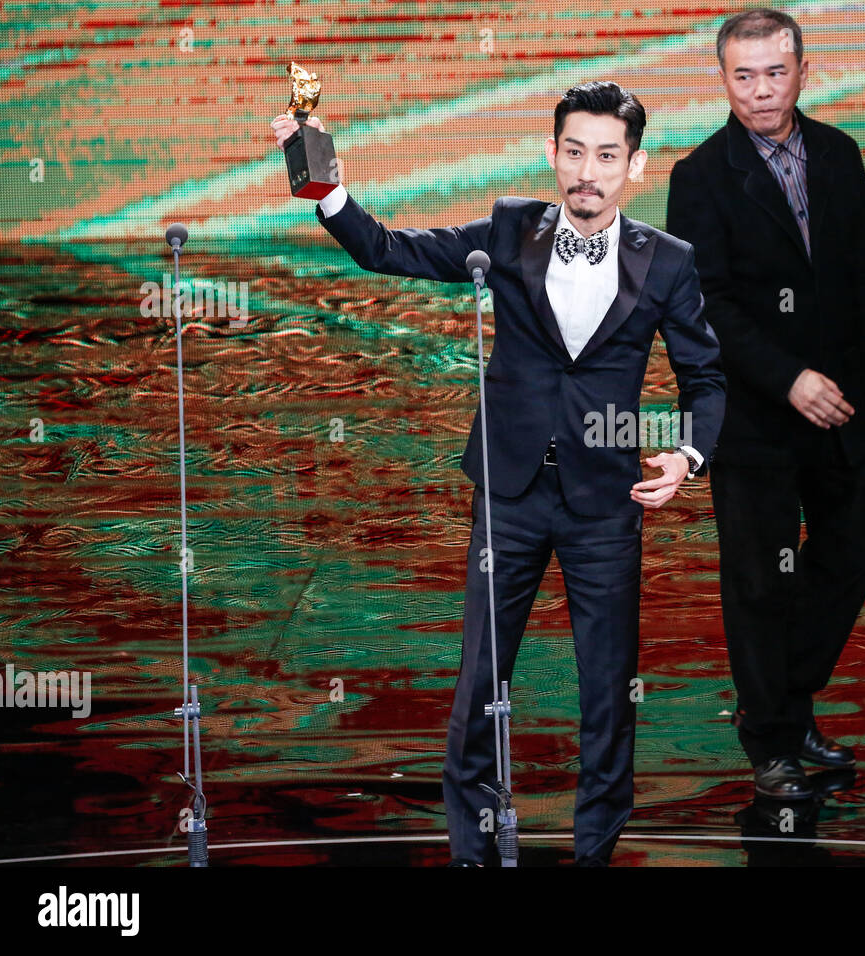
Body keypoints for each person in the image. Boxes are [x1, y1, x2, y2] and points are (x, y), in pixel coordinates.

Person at [271, 81, 726, 865]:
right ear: (552, 154)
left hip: (604, 504)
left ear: (635, 167)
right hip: (509, 492)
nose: (588, 172)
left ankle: (594, 854)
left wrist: (685, 456)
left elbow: (708, 381)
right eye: (574, 152)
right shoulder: (512, 231)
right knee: (481, 681)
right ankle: (473, 852)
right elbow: (391, 250)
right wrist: (319, 176)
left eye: (607, 157)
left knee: (608, 693)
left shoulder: (670, 263)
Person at [665, 8, 865, 800]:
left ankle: (787, 707)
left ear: (804, 71)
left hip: (844, 409)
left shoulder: (840, 154)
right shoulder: (698, 177)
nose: (761, 91)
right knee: (761, 581)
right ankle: (771, 744)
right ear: (722, 77)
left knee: (854, 556)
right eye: (744, 74)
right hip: (757, 416)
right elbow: (708, 305)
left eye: (775, 72)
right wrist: (787, 377)